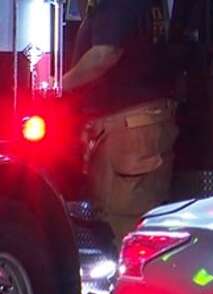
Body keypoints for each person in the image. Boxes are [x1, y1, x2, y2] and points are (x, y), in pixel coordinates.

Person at [63, 0, 179, 241]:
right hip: (142, 124)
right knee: (139, 218)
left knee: (121, 223)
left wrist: (56, 87)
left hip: (129, 130)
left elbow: (105, 54)